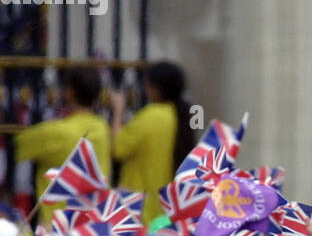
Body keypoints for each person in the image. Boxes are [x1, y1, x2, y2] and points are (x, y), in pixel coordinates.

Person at [13, 66, 110, 219]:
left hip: (57, 226)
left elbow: (18, 144)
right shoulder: (102, 127)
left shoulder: (54, 131)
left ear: (69, 92)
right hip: (94, 223)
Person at [110, 61, 195, 226]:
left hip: (141, 210)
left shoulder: (151, 116)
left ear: (156, 88)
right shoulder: (178, 115)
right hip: (167, 213)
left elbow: (118, 148)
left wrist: (118, 109)